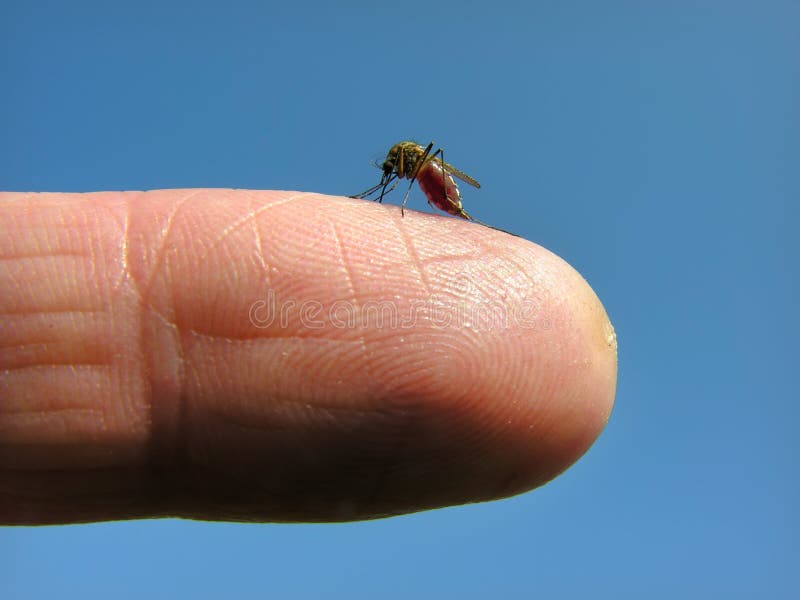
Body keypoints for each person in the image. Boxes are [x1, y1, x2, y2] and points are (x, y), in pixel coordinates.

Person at [0, 189, 617, 524]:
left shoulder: (418, 166)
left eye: (398, 170)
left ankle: (460, 210)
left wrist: (419, 188)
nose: (395, 172)